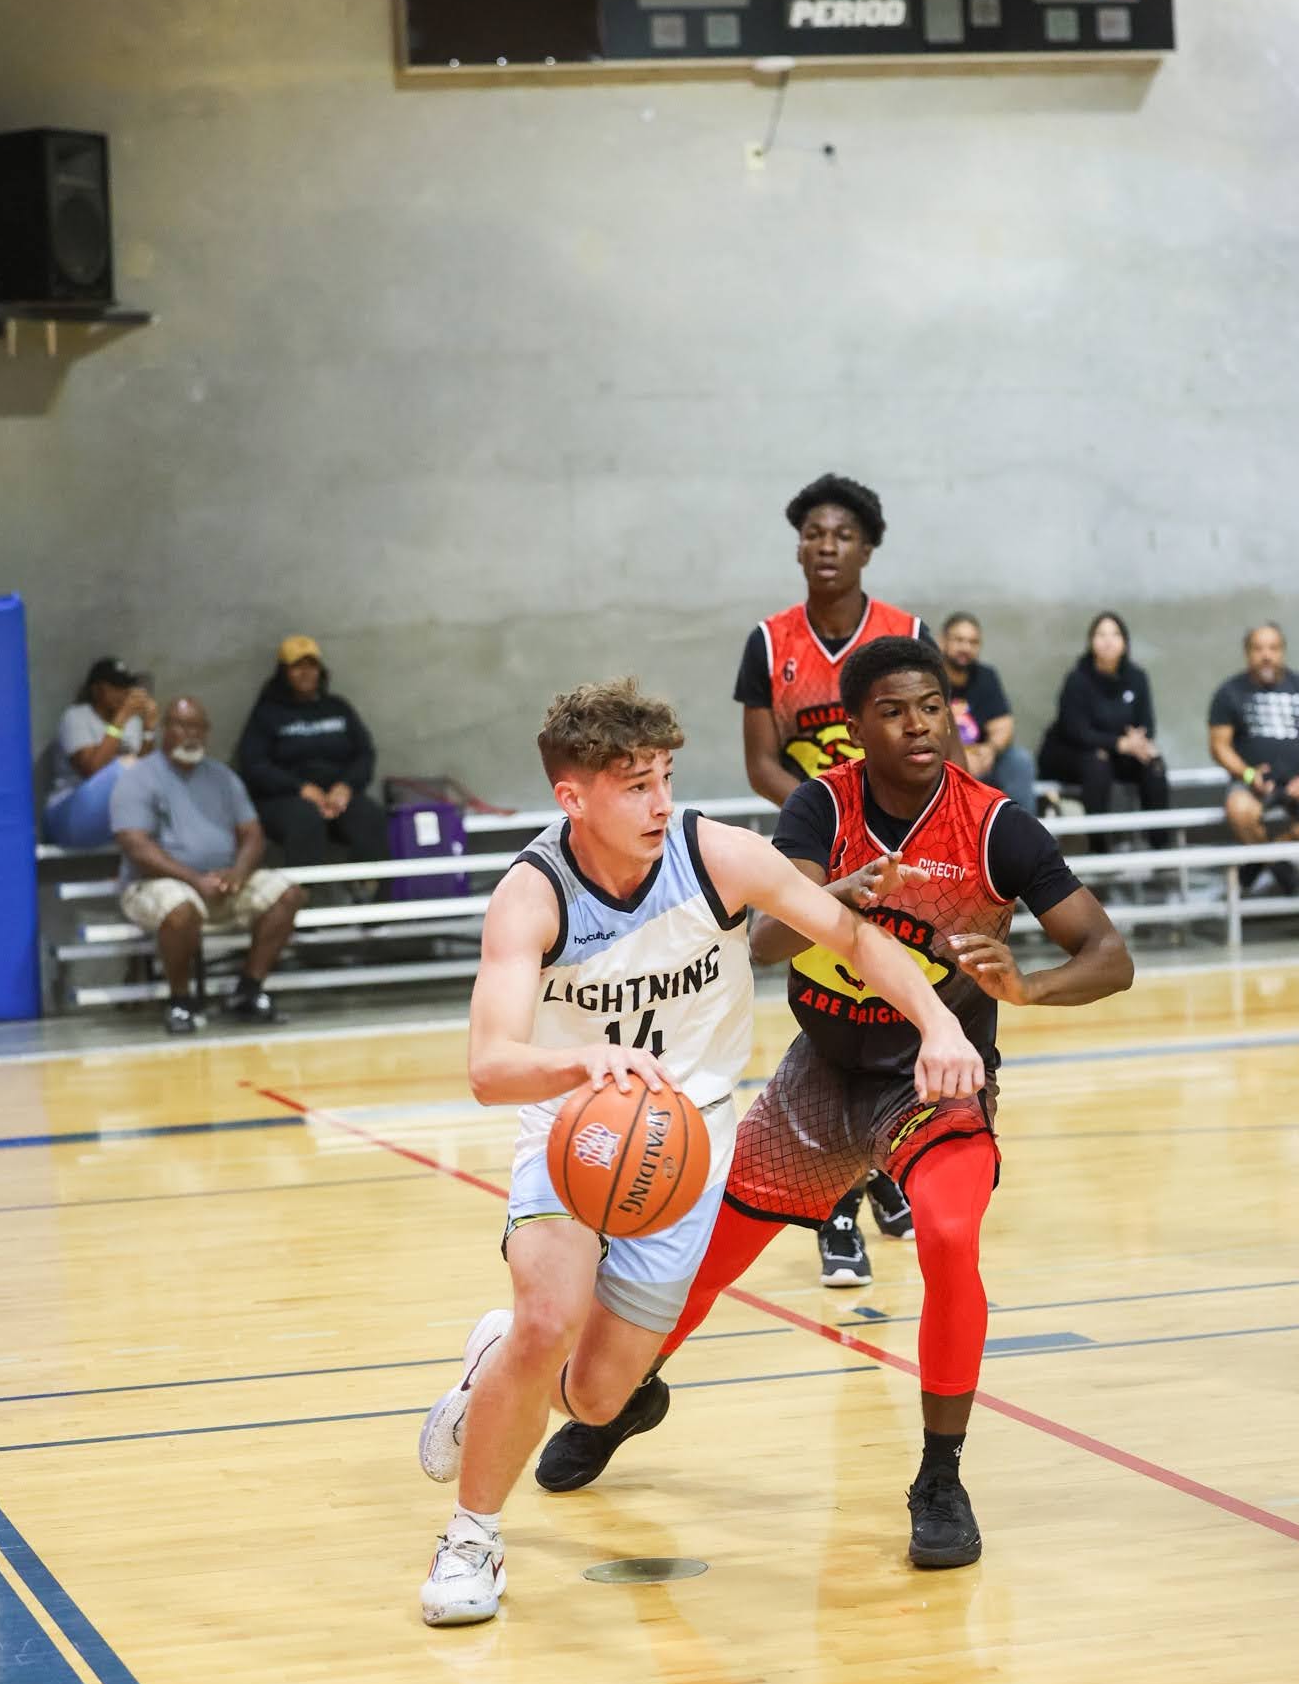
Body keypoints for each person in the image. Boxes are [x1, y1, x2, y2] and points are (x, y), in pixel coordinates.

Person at [534, 637, 1133, 1571]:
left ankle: (941, 1473)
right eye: (893, 710)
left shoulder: (995, 826)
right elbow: (765, 943)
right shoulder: (822, 805)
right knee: (699, 1258)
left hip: (930, 1078)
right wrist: (830, 900)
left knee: (945, 1237)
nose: (918, 725)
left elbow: (1110, 955)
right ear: (855, 729)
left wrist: (1029, 987)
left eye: (931, 706)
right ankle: (625, 1400)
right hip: (820, 1070)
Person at [414, 674, 987, 1627]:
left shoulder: (715, 855)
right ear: (574, 797)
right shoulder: (532, 895)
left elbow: (850, 935)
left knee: (597, 1400)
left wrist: (936, 1021)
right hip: (574, 1128)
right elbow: (489, 1067)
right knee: (548, 1315)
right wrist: (579, 1067)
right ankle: (472, 1540)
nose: (660, 801)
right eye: (635, 785)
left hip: (689, 1140)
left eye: (665, 776)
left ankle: (492, 1364)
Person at [733, 471, 936, 1287]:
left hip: (897, 845)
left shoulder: (903, 632)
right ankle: (837, 1214)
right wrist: (829, 816)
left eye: (842, 534)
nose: (826, 546)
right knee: (831, 1015)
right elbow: (758, 765)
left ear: (868, 548)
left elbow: (934, 746)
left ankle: (884, 1166)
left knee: (896, 1008)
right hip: (817, 846)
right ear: (799, 546)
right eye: (814, 533)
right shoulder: (769, 642)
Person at [110, 696, 303, 1034]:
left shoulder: (223, 778)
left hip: (222, 882)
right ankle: (180, 1001)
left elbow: (253, 834)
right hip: (154, 883)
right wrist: (194, 880)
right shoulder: (138, 778)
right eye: (183, 726)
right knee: (180, 908)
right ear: (166, 729)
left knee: (286, 895)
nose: (191, 734)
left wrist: (239, 873)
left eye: (198, 727)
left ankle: (249, 990)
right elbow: (136, 847)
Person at [235, 636, 394, 872]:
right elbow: (254, 764)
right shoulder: (267, 713)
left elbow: (365, 753)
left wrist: (346, 787)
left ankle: (375, 895)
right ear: (283, 672)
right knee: (305, 819)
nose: (306, 673)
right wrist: (300, 788)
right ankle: (302, 896)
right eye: (297, 666)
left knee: (370, 817)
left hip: (337, 795)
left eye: (312, 665)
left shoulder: (338, 707)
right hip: (285, 798)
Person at [1208, 625, 1299, 870]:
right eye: (1258, 649)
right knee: (1239, 811)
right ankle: (1280, 867)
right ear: (1247, 653)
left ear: (1283, 651)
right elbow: (1219, 747)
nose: (1266, 655)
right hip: (1251, 782)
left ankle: (1265, 861)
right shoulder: (1228, 692)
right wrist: (1248, 775)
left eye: (1273, 648)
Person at [1037, 613, 1173, 844]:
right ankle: (1100, 848)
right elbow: (1076, 731)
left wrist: (1140, 741)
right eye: (1101, 635)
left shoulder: (1137, 677)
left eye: (1115, 634)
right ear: (1091, 642)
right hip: (1073, 752)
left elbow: (1147, 724)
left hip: (1120, 752)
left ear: (1125, 642)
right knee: (1097, 764)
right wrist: (1119, 743)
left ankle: (1160, 848)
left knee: (1154, 763)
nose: (1108, 640)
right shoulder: (1077, 679)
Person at [42, 657, 158, 849]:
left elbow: (144, 774)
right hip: (67, 814)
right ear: (96, 690)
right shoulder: (76, 717)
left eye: (126, 687)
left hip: (111, 818)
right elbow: (92, 769)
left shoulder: (133, 723)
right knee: (126, 767)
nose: (123, 694)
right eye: (115, 687)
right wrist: (121, 718)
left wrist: (148, 729)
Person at [940, 611, 1038, 814]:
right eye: (959, 640)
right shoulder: (929, 676)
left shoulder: (986, 676)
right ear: (943, 641)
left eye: (973, 642)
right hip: (944, 759)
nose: (965, 647)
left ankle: (1023, 835)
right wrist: (960, 757)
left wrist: (990, 749)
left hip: (982, 757)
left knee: (1019, 760)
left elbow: (1003, 724)